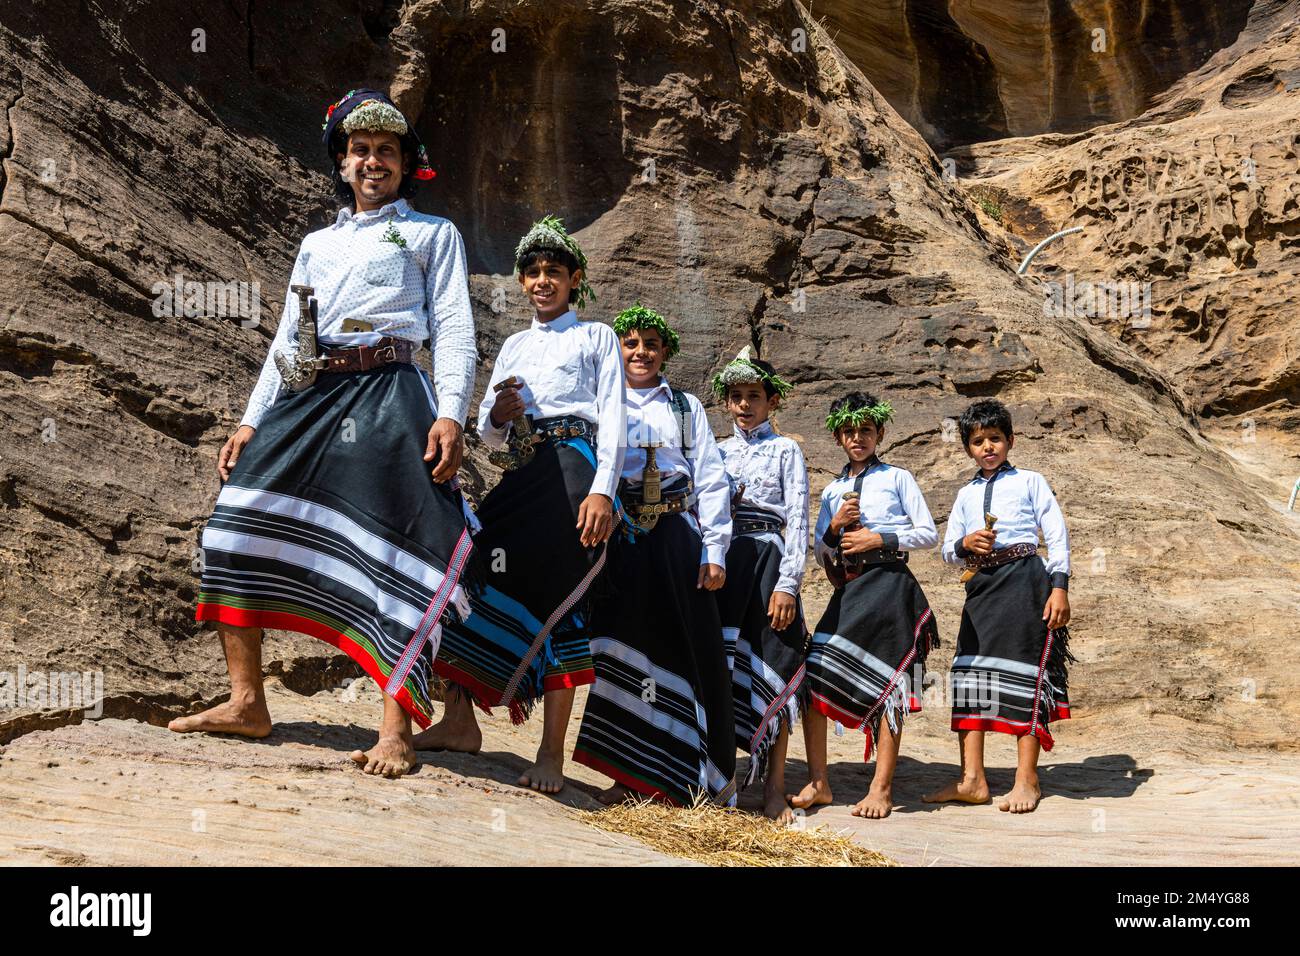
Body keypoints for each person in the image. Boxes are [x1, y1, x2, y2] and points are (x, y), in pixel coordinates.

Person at [174, 88, 478, 779]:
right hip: (312, 389)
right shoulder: (318, 244)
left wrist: (452, 413)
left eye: (387, 152)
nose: (373, 162)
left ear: (406, 165)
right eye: (361, 150)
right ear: (342, 163)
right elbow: (289, 336)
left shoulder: (433, 235)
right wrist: (254, 417)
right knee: (233, 520)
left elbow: (456, 327)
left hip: (393, 389)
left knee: (396, 548)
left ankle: (395, 728)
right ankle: (247, 701)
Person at [419, 216, 626, 794]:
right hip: (524, 471)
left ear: (574, 280)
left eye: (553, 273)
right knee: (471, 570)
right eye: (532, 272)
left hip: (574, 471)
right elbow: (486, 435)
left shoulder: (597, 338)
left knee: (563, 598)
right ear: (521, 281)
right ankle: (459, 721)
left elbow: (614, 417)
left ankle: (551, 754)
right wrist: (498, 417)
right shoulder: (512, 343)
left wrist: (603, 489)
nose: (541, 281)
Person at [573, 305, 737, 806]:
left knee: (684, 649)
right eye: (630, 343)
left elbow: (710, 480)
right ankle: (630, 775)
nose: (640, 352)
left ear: (666, 352)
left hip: (674, 536)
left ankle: (689, 777)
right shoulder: (600, 401)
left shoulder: (686, 408)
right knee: (623, 647)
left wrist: (715, 552)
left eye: (651, 344)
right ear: (616, 349)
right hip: (621, 537)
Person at [790, 391, 940, 819]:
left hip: (891, 585)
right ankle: (819, 782)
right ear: (839, 437)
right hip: (850, 589)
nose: (858, 438)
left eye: (867, 431)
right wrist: (834, 530)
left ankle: (882, 788)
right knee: (814, 671)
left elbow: (927, 533)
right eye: (850, 432)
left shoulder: (898, 478)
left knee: (891, 685)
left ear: (880, 433)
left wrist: (881, 538)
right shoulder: (833, 489)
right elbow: (819, 550)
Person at [925, 398, 1073, 814]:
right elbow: (948, 553)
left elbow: (1056, 533)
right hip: (982, 590)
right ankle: (973, 780)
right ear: (968, 448)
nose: (987, 447)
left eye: (994, 438)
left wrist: (1058, 587)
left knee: (1026, 675)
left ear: (1010, 439)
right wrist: (965, 543)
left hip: (1025, 580)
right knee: (970, 675)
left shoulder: (1030, 481)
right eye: (977, 441)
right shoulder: (965, 493)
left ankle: (1027, 779)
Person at [712, 348, 810, 822]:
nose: (745, 405)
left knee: (772, 660)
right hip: (726, 566)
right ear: (726, 402)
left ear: (772, 401)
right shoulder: (717, 450)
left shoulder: (787, 449)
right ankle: (724, 780)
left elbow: (799, 519)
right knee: (723, 669)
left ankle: (774, 787)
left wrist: (788, 584)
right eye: (736, 396)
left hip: (770, 562)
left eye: (754, 396)